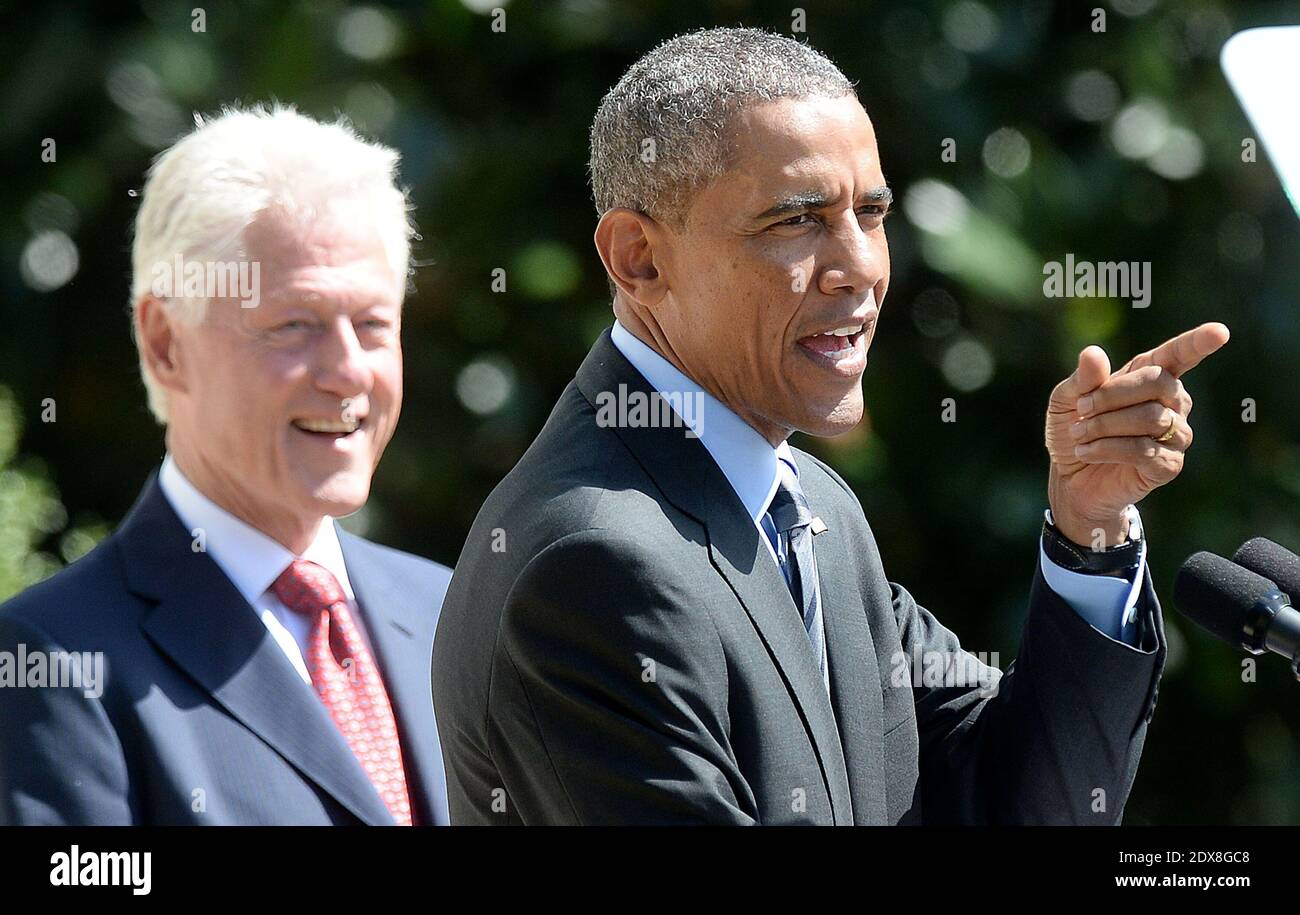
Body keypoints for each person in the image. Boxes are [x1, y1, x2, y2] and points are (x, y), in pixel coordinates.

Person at [432, 28, 1230, 824]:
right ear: (639, 258)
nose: (862, 266)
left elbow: (1019, 800)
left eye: (872, 212)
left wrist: (1089, 530)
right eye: (796, 221)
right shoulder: (594, 565)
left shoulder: (815, 508)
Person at [0, 106, 451, 826]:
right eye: (293, 325)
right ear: (164, 343)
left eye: (372, 324)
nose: (346, 372)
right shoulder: (55, 664)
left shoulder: (454, 616)